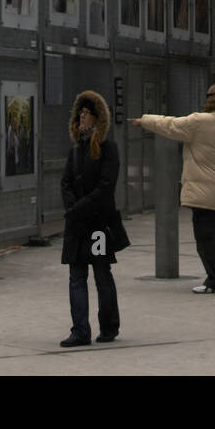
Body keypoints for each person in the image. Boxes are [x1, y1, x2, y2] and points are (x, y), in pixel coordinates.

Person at [133, 82, 215, 293]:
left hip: (203, 192)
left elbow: (171, 125)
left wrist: (145, 120)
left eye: (208, 94)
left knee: (206, 238)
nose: (205, 98)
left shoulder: (201, 121)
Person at [60, 90, 127, 347]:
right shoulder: (76, 150)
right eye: (79, 114)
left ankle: (109, 326)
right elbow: (65, 181)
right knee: (76, 277)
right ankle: (80, 331)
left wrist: (80, 207)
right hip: (77, 224)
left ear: (97, 118)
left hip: (98, 224)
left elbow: (106, 186)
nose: (81, 118)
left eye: (86, 114)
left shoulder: (108, 149)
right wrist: (71, 206)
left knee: (101, 274)